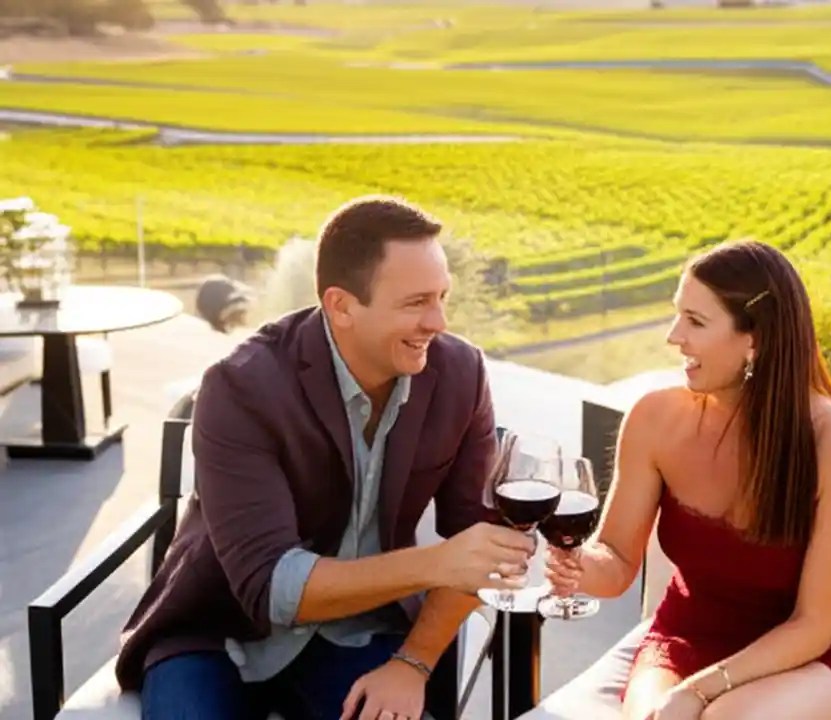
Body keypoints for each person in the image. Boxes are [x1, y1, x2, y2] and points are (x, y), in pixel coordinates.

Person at [116, 195, 535, 720]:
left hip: (361, 630)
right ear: (340, 306)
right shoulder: (240, 387)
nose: (439, 321)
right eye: (416, 302)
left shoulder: (461, 374)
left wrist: (413, 662)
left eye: (442, 297)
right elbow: (271, 588)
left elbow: (480, 543)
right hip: (217, 630)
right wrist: (436, 563)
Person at [545, 240, 831, 720]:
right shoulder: (654, 417)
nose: (673, 336)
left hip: (804, 656)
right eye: (677, 314)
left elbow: (814, 625)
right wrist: (576, 564)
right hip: (686, 637)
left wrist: (703, 691)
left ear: (754, 339)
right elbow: (616, 561)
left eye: (696, 322)